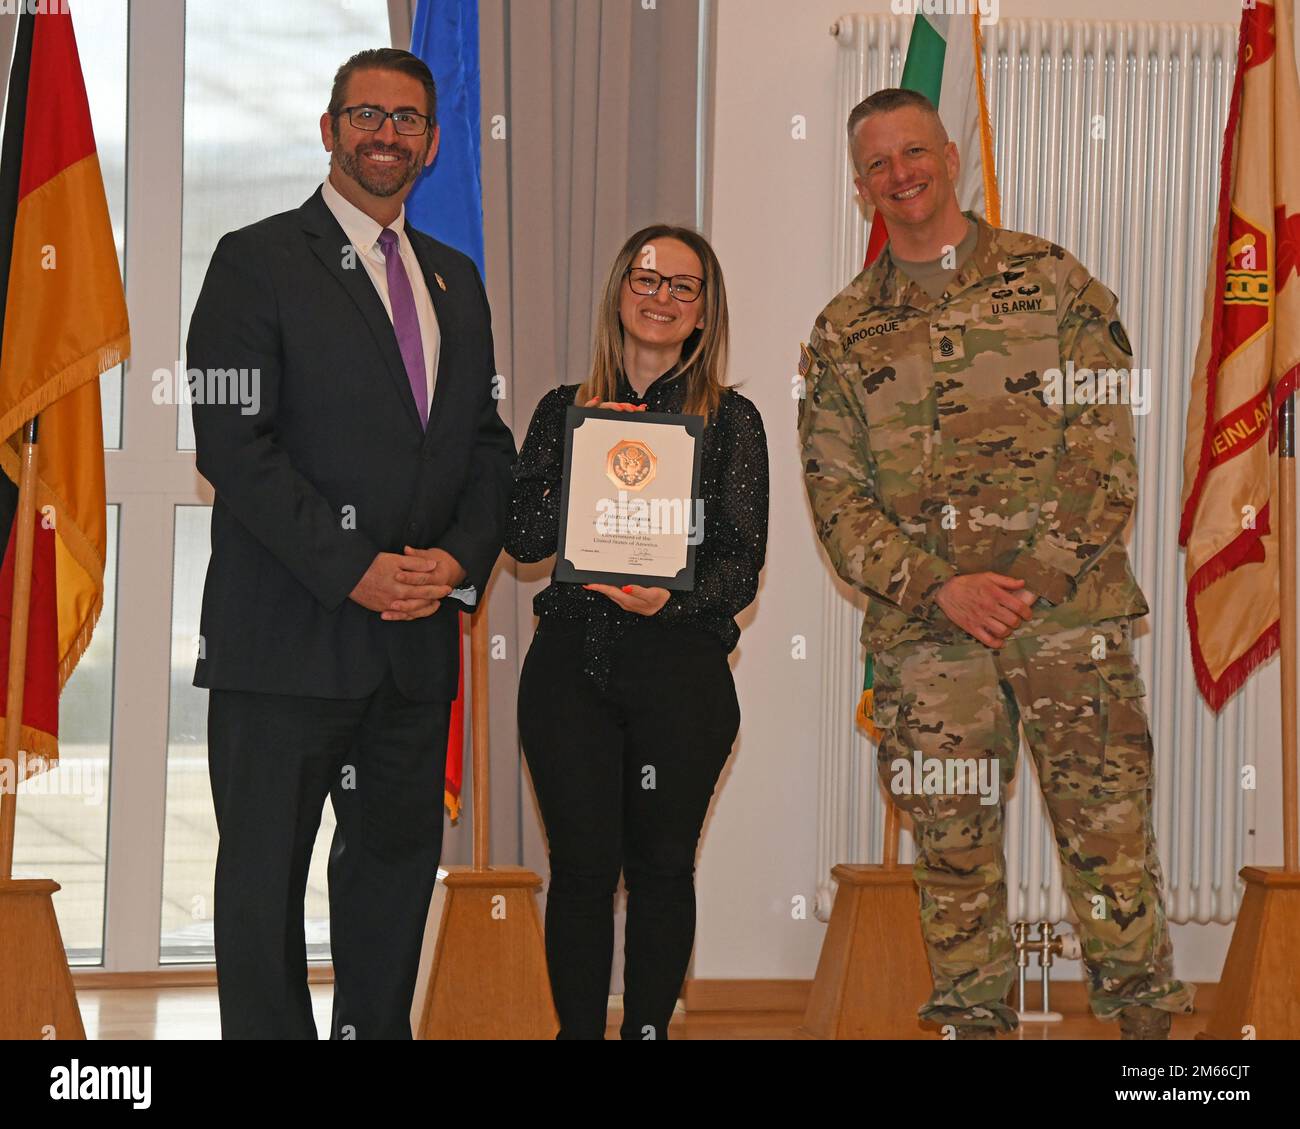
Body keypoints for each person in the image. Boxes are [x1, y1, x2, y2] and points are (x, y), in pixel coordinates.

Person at [797, 88, 1194, 1040]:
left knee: (1110, 844)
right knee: (955, 854)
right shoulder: (843, 332)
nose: (903, 174)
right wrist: (944, 587)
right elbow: (836, 502)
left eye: (916, 152)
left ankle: (1149, 1038)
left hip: (1068, 618)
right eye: (880, 164)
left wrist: (1032, 580)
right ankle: (974, 1025)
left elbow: (1105, 444)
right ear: (861, 188)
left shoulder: (1054, 282)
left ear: (950, 156)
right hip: (932, 640)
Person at [188, 48, 515, 1039]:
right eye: (365, 114)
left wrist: (456, 562)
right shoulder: (255, 259)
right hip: (283, 646)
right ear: (329, 131)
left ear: (432, 142)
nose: (386, 134)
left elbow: (487, 450)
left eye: (407, 119)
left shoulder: (454, 279)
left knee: (389, 885)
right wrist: (354, 569)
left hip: (412, 654)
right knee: (261, 892)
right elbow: (231, 443)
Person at [507, 226, 768, 1039]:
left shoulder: (733, 421)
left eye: (684, 287)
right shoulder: (563, 408)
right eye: (648, 279)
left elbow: (739, 566)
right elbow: (520, 537)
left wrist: (672, 601)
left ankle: (648, 1032)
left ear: (704, 313)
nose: (662, 297)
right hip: (569, 676)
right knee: (581, 873)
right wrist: (590, 452)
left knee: (661, 871)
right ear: (621, 292)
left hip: (680, 677)